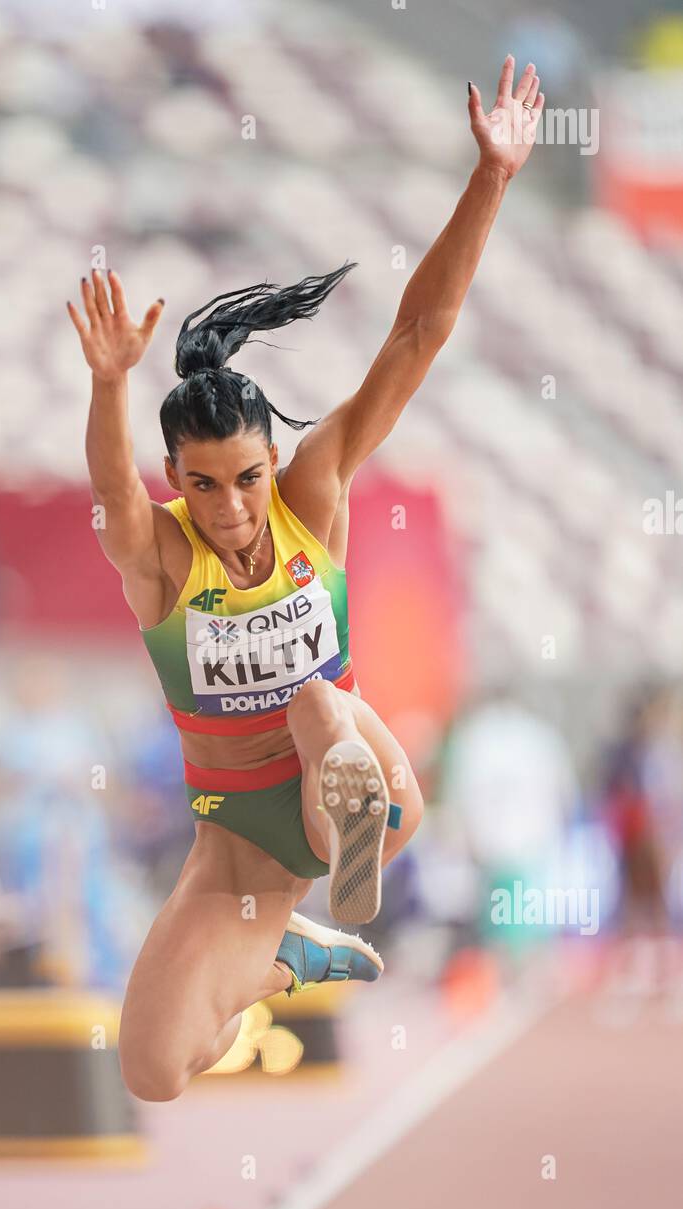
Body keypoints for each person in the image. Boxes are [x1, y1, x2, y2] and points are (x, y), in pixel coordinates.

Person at [67, 56, 545, 1101]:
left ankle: (352, 838)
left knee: (317, 701)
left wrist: (491, 178)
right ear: (175, 481)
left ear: (269, 463)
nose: (231, 510)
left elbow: (414, 338)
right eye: (202, 487)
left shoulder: (314, 495)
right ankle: (293, 952)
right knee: (150, 1070)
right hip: (240, 843)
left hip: (361, 775)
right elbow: (110, 498)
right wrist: (109, 384)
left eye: (244, 479)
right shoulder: (157, 559)